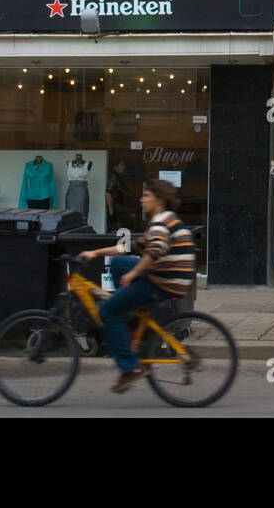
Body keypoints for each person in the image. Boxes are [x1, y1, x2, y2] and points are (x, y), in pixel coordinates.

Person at [80, 179, 196, 393]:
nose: (141, 199)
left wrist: (134, 273)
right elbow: (128, 246)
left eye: (147, 196)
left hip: (164, 282)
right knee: (117, 264)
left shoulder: (161, 222)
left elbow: (155, 251)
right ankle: (131, 315)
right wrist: (95, 253)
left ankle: (130, 367)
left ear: (159, 200)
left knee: (106, 311)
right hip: (165, 275)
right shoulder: (163, 220)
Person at [105, 159, 127, 232]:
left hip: (118, 208)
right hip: (114, 208)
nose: (123, 167)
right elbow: (108, 193)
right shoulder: (113, 178)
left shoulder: (119, 178)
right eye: (121, 165)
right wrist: (111, 209)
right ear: (115, 167)